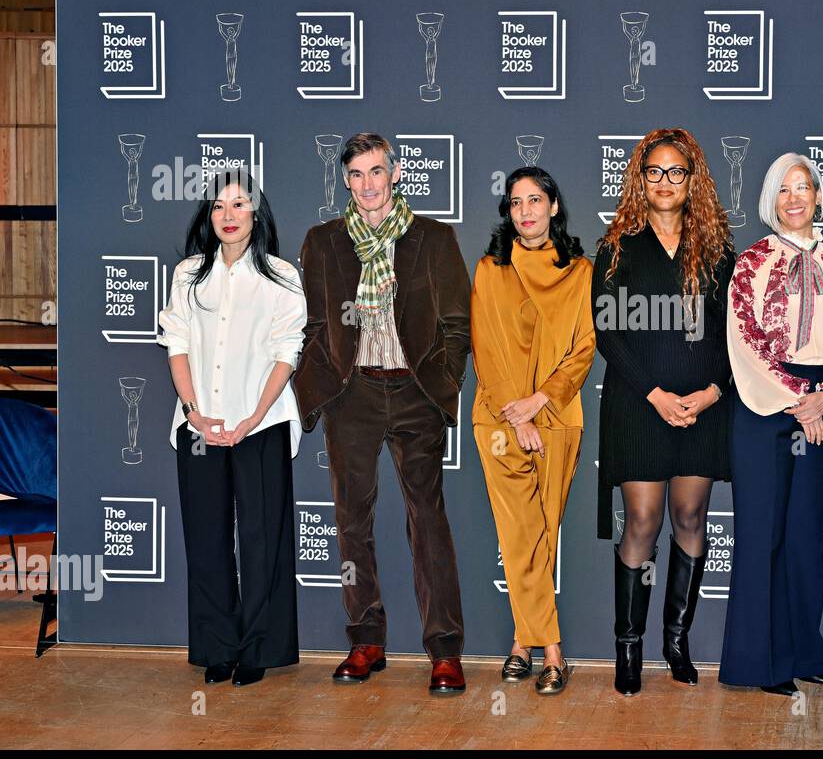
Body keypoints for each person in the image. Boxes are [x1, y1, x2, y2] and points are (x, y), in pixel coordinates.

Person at [294, 132, 472, 695]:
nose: (367, 184)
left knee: (428, 520)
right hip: (355, 395)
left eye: (376, 171)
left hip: (416, 391)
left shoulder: (432, 238)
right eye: (356, 175)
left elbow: (457, 322)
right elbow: (315, 323)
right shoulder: (323, 241)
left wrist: (440, 380)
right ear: (345, 180)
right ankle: (365, 639)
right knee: (351, 520)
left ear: (395, 174)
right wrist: (324, 383)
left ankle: (444, 650)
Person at [594, 126, 735, 696]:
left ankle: (675, 642)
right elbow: (608, 330)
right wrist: (654, 393)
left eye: (677, 171)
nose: (665, 181)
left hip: (703, 406)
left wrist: (713, 391)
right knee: (644, 521)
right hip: (637, 403)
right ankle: (628, 649)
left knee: (690, 518)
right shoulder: (617, 247)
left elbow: (738, 335)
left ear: (692, 179)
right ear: (640, 179)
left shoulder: (721, 251)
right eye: (654, 171)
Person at [158, 168, 306, 688]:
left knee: (263, 540)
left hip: (260, 424)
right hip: (199, 426)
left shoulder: (283, 277)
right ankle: (218, 647)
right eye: (220, 206)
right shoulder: (188, 274)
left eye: (240, 204)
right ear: (208, 214)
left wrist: (252, 418)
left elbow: (286, 355)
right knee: (207, 538)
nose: (229, 215)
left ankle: (259, 648)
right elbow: (175, 343)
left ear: (257, 214)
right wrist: (194, 411)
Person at [720, 153, 823, 696]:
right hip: (764, 409)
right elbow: (745, 341)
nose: (796, 197)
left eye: (805, 187)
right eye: (784, 189)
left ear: (820, 196)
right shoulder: (751, 261)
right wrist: (799, 399)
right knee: (764, 534)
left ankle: (803, 651)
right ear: (770, 201)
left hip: (822, 409)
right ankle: (761, 663)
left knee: (804, 531)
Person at [471, 166, 595, 696]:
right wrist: (514, 413)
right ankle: (552, 652)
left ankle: (522, 642)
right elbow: (485, 350)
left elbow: (584, 347)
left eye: (535, 200)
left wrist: (540, 401)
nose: (525, 210)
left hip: (558, 418)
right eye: (516, 202)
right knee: (519, 535)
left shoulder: (581, 271)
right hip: (498, 422)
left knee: (542, 529)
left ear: (554, 206)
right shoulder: (489, 269)